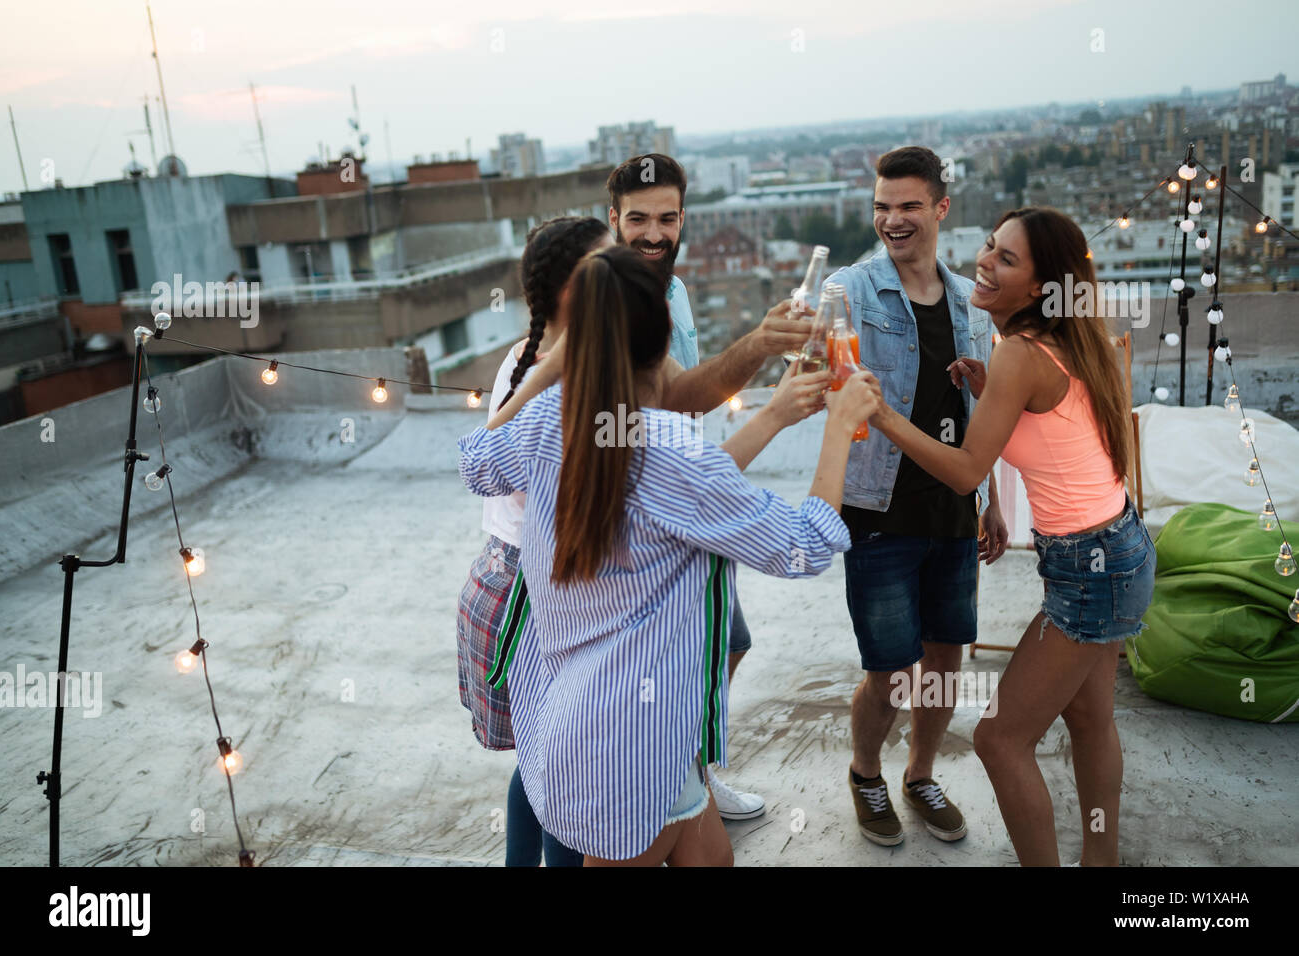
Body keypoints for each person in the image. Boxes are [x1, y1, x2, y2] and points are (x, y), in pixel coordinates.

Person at [459, 245, 877, 865]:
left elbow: (474, 460)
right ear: (662, 342)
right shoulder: (671, 452)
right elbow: (804, 545)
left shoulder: (554, 417)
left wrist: (544, 376)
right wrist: (840, 430)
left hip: (603, 726)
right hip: (628, 749)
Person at [493, 152, 811, 820]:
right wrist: (769, 385)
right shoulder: (599, 311)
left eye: (667, 218)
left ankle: (682, 778)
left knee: (717, 648)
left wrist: (758, 350)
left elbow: (679, 398)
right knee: (559, 743)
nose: (654, 234)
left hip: (668, 520)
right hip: (590, 554)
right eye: (637, 219)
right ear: (613, 223)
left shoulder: (671, 294)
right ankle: (656, 797)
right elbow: (658, 417)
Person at [863, 206, 1156, 866]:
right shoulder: (1058, 342)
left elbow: (966, 469)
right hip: (1116, 548)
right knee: (1088, 719)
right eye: (990, 246)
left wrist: (880, 413)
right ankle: (1100, 861)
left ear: (1040, 288)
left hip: (1090, 569)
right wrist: (994, 390)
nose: (985, 262)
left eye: (1007, 259)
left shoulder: (1023, 352)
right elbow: (1057, 420)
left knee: (999, 740)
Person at [825, 146, 1006, 847]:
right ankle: (867, 773)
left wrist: (990, 500)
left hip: (953, 509)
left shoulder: (969, 300)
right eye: (881, 206)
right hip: (877, 508)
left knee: (945, 658)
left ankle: (919, 774)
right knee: (890, 671)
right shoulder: (852, 290)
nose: (891, 220)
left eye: (906, 206)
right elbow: (822, 373)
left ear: (940, 208)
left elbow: (979, 417)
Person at [455, 216, 611, 867]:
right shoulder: (557, 377)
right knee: (567, 781)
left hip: (501, 582)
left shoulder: (530, 357)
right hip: (535, 603)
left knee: (544, 768)